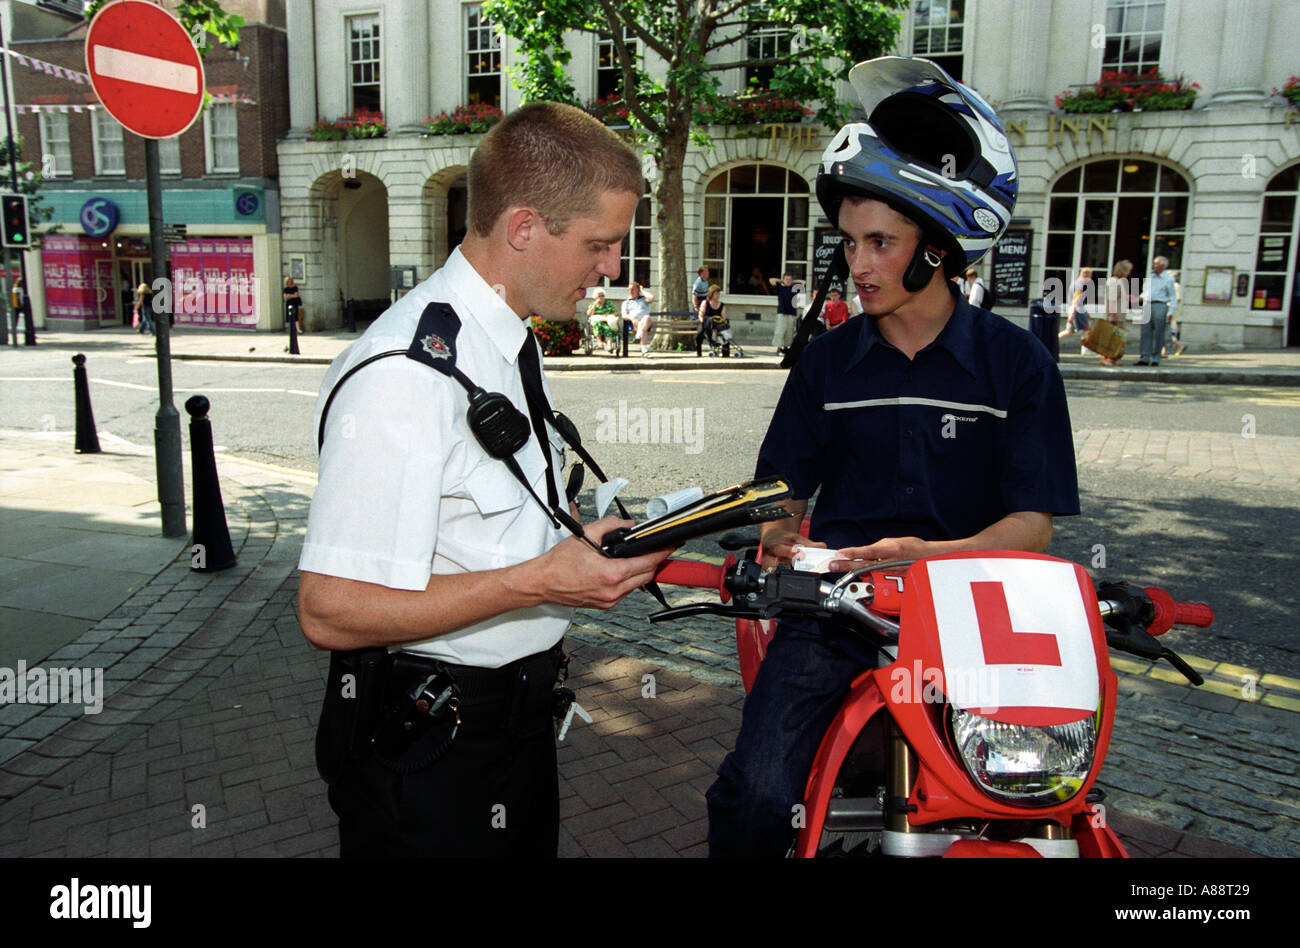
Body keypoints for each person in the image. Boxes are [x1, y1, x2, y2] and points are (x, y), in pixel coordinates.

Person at [705, 55, 1079, 859]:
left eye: (881, 242)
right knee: (755, 794)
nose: (859, 265)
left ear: (939, 249)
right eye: (850, 242)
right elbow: (781, 490)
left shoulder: (1019, 367)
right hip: (837, 610)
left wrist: (930, 558)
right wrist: (781, 534)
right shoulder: (826, 364)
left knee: (1043, 801)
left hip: (978, 619)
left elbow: (1032, 526)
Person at [298, 102, 671, 858]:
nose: (612, 269)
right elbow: (330, 611)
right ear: (524, 227)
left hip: (509, 731)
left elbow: (489, 533)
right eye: (599, 244)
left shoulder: (502, 342)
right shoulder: (407, 376)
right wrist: (540, 581)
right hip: (435, 757)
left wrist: (577, 546)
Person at [1137, 255, 1177, 366]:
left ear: (1163, 266)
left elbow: (1173, 297)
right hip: (1147, 304)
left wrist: (1171, 312)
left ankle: (1156, 358)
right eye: (1154, 263)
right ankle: (1144, 357)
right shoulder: (1150, 277)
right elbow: (1145, 291)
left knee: (1159, 333)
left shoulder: (1168, 279)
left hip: (1160, 305)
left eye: (1156, 263)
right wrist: (1140, 298)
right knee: (1145, 332)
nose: (1154, 265)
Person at [1101, 259, 1133, 366]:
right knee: (1114, 338)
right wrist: (1113, 315)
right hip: (1115, 315)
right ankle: (1109, 358)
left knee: (1113, 337)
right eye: (1128, 270)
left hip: (1118, 314)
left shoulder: (1118, 281)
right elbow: (1112, 299)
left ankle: (1109, 358)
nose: (1129, 273)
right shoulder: (1114, 282)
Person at [769, 272, 804, 352]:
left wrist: (793, 282)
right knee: (780, 331)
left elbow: (803, 282)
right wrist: (782, 281)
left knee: (789, 332)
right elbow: (771, 280)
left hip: (791, 313)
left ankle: (786, 347)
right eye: (786, 279)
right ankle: (778, 348)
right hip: (782, 312)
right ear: (783, 280)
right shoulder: (780, 288)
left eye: (790, 280)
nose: (788, 281)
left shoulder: (794, 288)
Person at [694, 283, 730, 356]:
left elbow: (723, 317)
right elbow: (701, 315)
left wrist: (723, 321)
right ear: (711, 294)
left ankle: (725, 353)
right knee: (700, 333)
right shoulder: (705, 303)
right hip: (706, 323)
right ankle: (699, 351)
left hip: (717, 323)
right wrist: (703, 322)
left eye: (718, 294)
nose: (718, 296)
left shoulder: (721, 305)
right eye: (716, 294)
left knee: (726, 332)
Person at [621, 280, 655, 357]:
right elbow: (624, 315)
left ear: (638, 290)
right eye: (629, 289)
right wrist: (632, 319)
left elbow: (651, 297)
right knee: (644, 329)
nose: (630, 291)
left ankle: (639, 335)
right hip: (633, 324)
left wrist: (642, 290)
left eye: (633, 289)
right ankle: (644, 352)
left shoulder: (643, 299)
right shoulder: (626, 302)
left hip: (646, 322)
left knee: (646, 318)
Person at [1059, 266, 1093, 342]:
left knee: (1069, 331)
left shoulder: (1076, 283)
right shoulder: (1079, 285)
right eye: (1090, 276)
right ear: (1085, 275)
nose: (1091, 279)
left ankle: (1052, 340)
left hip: (1075, 310)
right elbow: (1076, 301)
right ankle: (1085, 349)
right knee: (1087, 329)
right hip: (1077, 311)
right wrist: (1072, 314)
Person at [1163, 270, 1187, 357]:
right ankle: (1164, 351)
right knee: (1165, 331)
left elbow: (1177, 299)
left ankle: (1179, 346)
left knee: (1167, 331)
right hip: (1168, 310)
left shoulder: (1175, 286)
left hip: (1171, 311)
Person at [12, 276, 35, 345]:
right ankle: (16, 329)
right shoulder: (17, 289)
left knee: (26, 317)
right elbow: (16, 297)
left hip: (21, 305)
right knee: (17, 317)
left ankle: (28, 330)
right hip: (18, 306)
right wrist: (19, 304)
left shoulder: (20, 289)